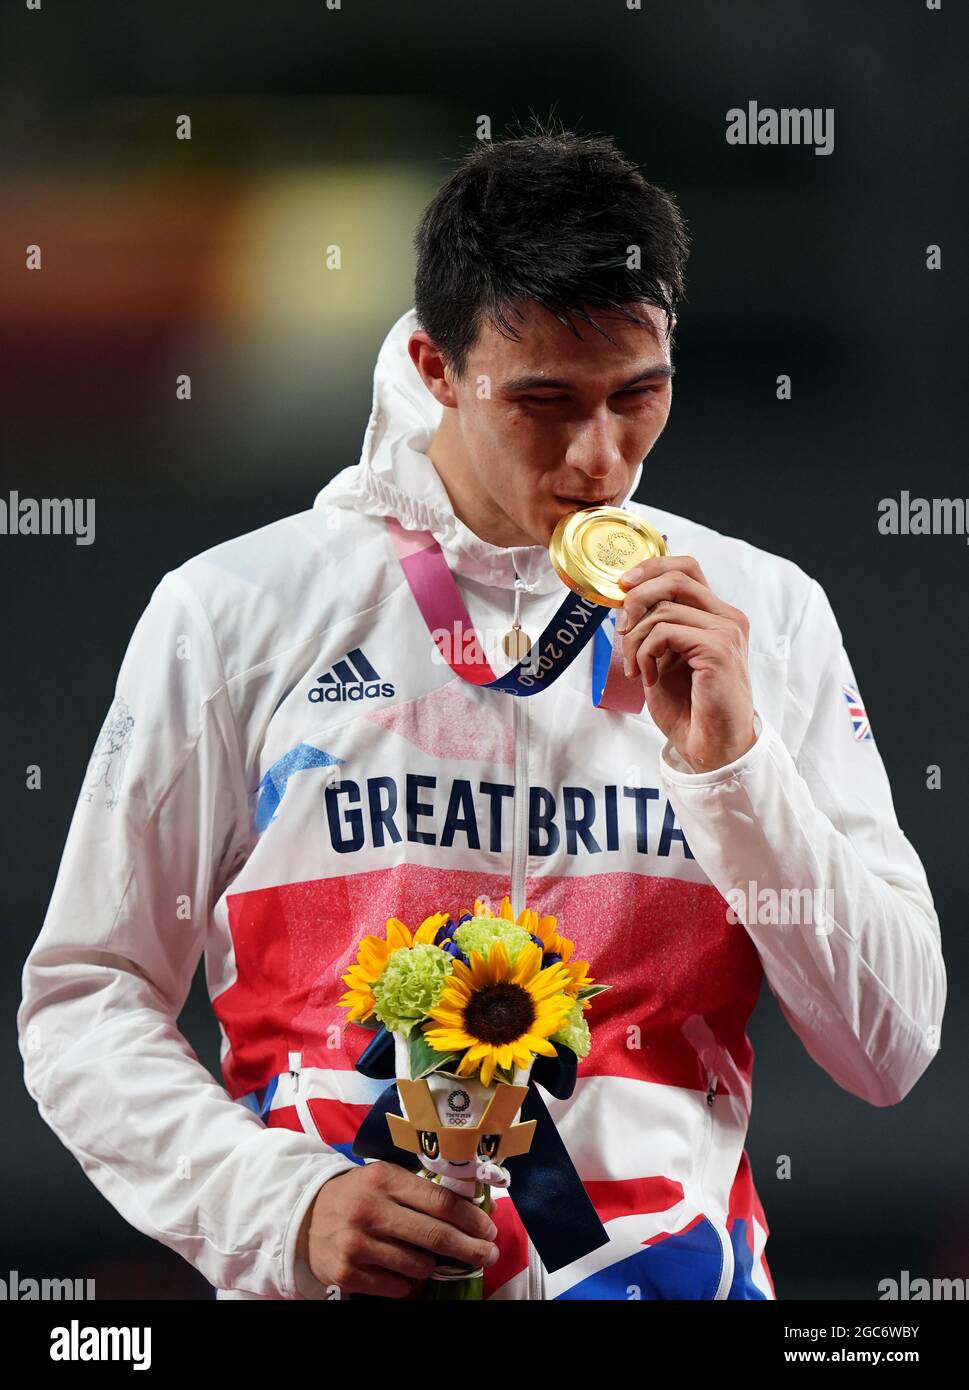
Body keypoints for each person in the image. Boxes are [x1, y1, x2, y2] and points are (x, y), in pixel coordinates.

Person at [17, 120, 946, 1302]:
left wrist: (735, 769)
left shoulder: (763, 612)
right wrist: (280, 1207)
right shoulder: (238, 609)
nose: (601, 459)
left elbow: (890, 1047)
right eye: (546, 401)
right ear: (435, 369)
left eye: (639, 394)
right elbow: (83, 999)